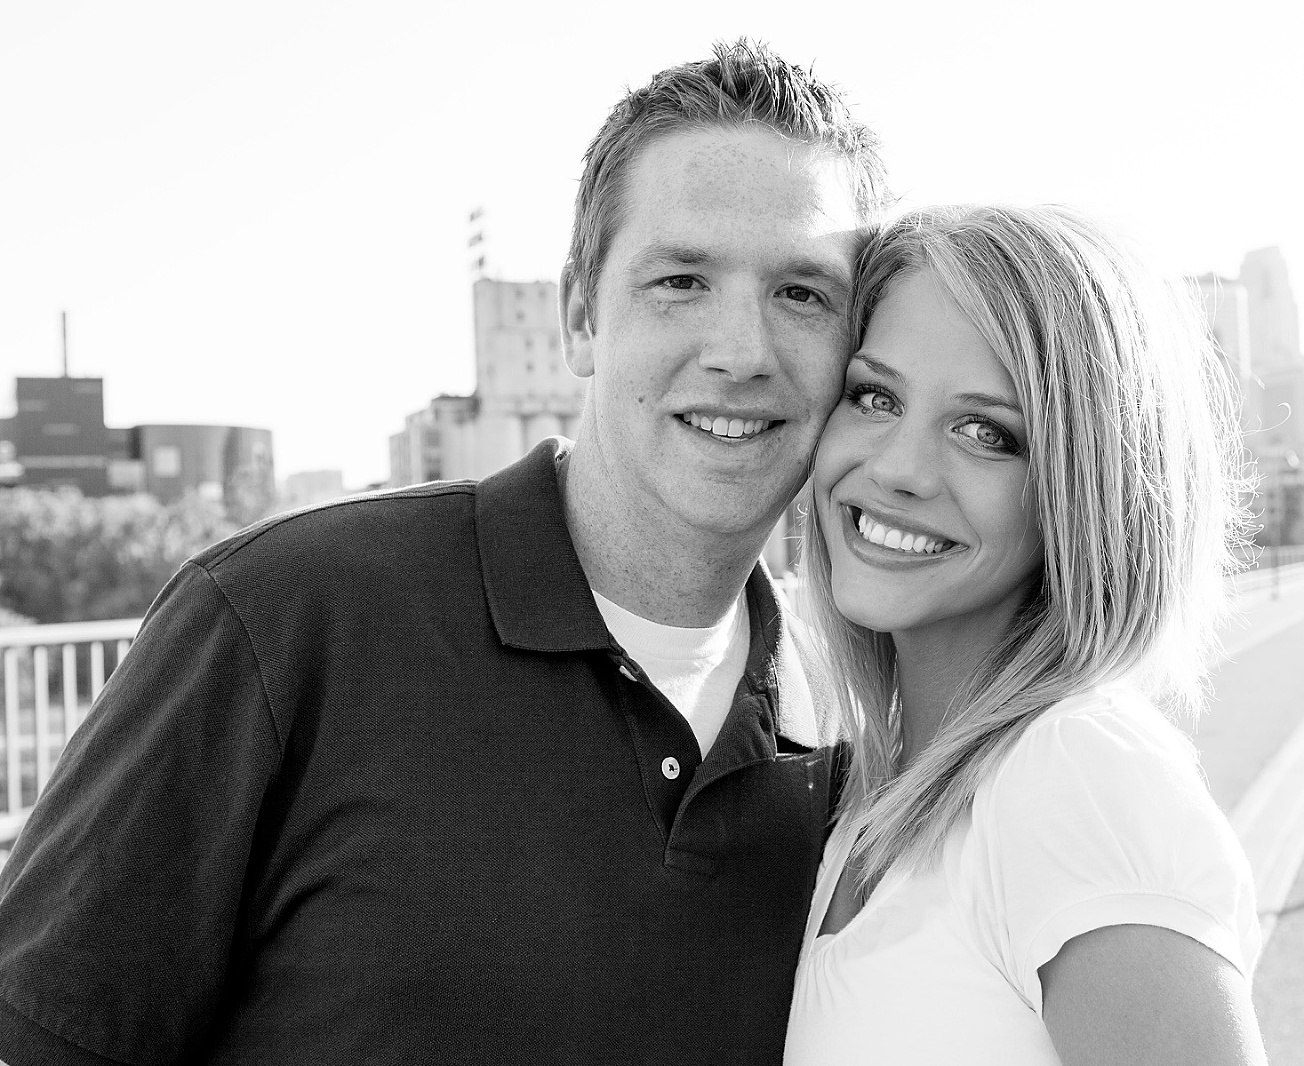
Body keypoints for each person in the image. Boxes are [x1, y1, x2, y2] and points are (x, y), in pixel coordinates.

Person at [0, 41, 886, 1065]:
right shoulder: (284, 618)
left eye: (802, 293)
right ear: (579, 318)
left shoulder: (856, 728)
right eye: (680, 280)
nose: (742, 352)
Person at [784, 205, 1270, 1064]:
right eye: (875, 396)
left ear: (1087, 492)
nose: (896, 468)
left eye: (987, 433)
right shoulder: (876, 792)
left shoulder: (1076, 776)